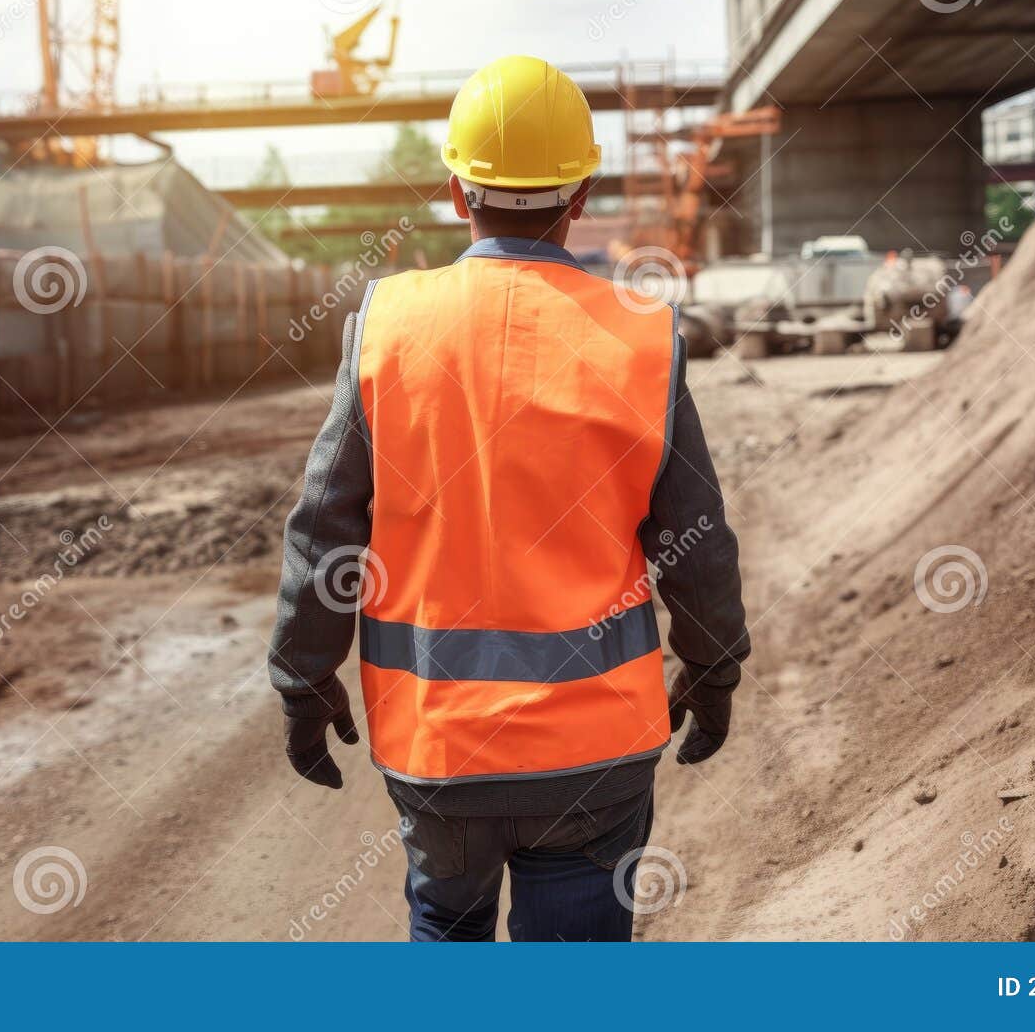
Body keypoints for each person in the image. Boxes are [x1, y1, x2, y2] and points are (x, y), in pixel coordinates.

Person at [269, 55, 750, 942]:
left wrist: (304, 677)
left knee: (447, 940)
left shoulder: (385, 325)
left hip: (440, 748)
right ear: (582, 194)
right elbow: (696, 537)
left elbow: (326, 526)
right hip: (596, 753)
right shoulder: (641, 338)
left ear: (458, 192)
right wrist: (714, 664)